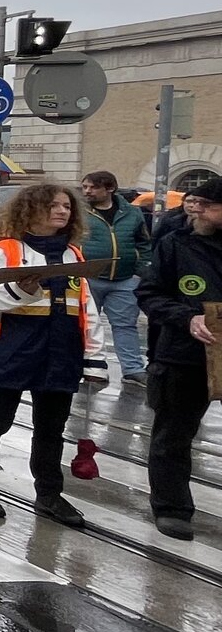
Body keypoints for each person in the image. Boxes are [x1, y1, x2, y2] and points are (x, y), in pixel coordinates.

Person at [0, 181, 107, 526]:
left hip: (61, 351)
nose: (61, 211)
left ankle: (50, 494)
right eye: (53, 205)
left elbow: (86, 308)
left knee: (52, 428)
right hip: (11, 348)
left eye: (66, 207)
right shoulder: (3, 250)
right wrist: (19, 290)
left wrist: (95, 358)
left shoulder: (72, 254)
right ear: (30, 209)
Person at [136, 171, 221, 541]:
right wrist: (186, 318)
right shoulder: (175, 244)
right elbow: (150, 294)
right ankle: (172, 507)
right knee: (174, 433)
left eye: (209, 206)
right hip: (185, 353)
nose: (198, 211)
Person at [78, 170, 152, 390]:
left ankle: (132, 370)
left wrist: (139, 271)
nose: (87, 191)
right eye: (85, 187)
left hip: (124, 279)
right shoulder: (79, 213)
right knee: (84, 325)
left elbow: (144, 243)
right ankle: (84, 367)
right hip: (88, 277)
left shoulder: (132, 213)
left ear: (109, 189)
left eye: (92, 187)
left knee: (125, 325)